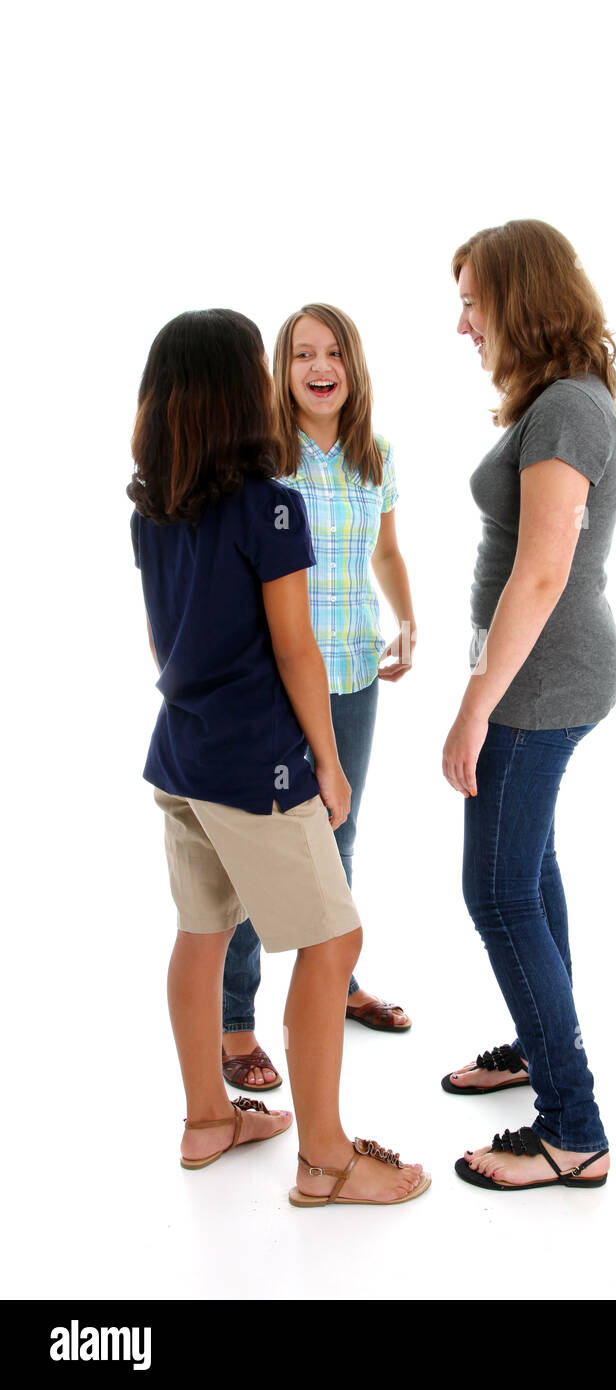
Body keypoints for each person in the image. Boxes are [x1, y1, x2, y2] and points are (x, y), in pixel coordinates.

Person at [130, 308, 429, 1206]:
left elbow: (161, 647)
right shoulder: (272, 504)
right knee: (336, 939)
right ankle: (328, 1161)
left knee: (202, 936)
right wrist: (329, 766)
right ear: (241, 394)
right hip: (257, 767)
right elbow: (299, 653)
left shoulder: (153, 509)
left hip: (182, 757)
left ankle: (207, 1120)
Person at [440, 220, 616, 1193]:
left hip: (535, 690)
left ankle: (571, 1127)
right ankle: (533, 1045)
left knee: (497, 891)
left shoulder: (565, 410)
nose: (462, 322)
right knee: (529, 867)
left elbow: (543, 570)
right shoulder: (559, 403)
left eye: (472, 299)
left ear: (517, 297)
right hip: (531, 678)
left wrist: (474, 706)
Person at [220, 303, 417, 1093]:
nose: (318, 366)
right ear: (283, 368)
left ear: (352, 364)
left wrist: (407, 618)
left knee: (339, 834)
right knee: (258, 848)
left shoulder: (377, 456)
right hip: (276, 684)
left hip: (354, 677)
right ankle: (238, 1021)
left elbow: (390, 549)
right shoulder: (264, 459)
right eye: (302, 353)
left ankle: (333, 984)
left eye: (332, 351)